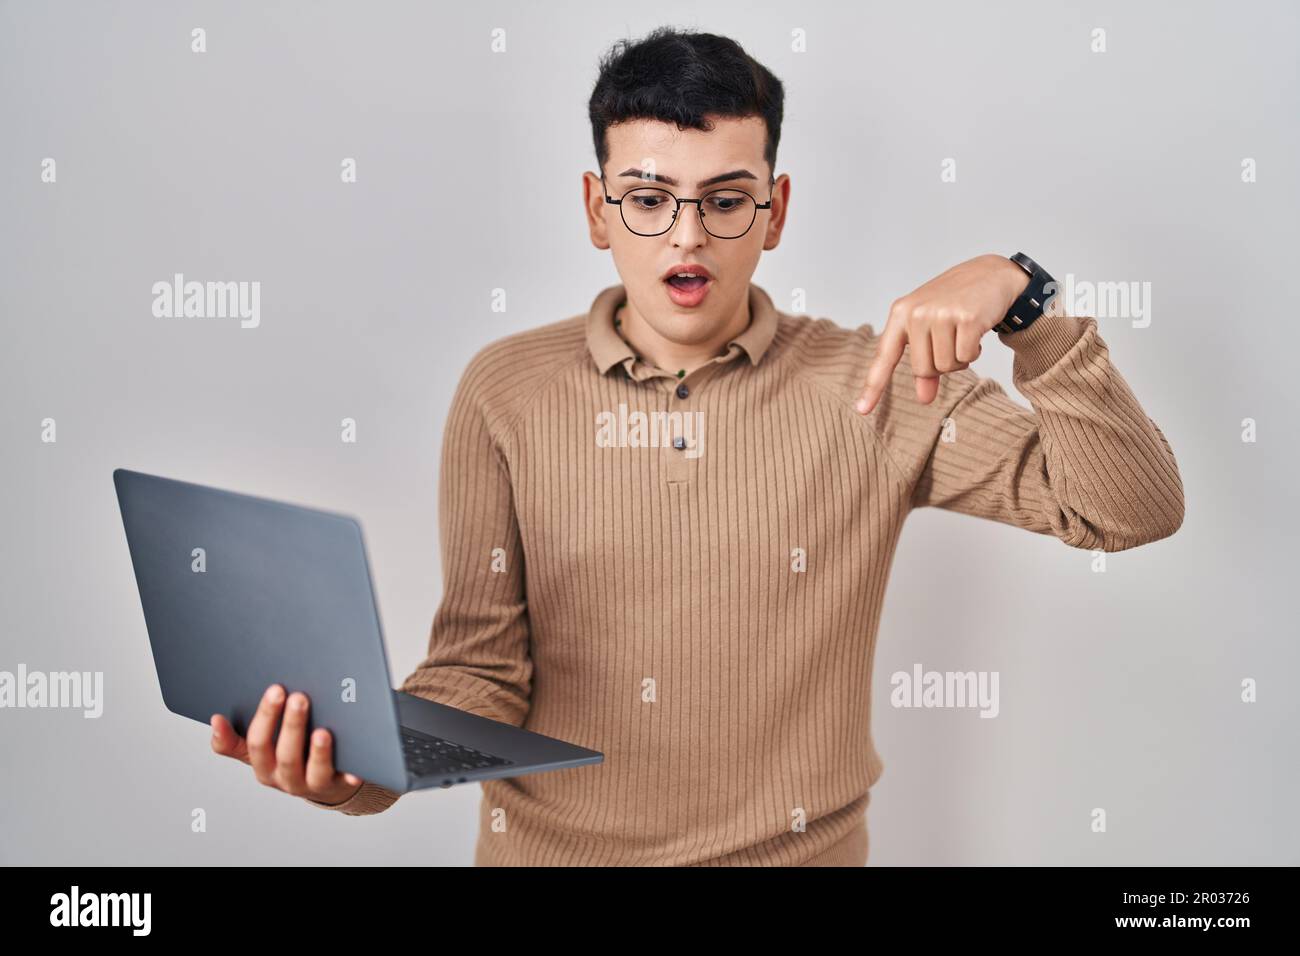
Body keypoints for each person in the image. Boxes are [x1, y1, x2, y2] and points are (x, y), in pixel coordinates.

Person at [210, 26, 1184, 866]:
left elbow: (1128, 509)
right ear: (597, 209)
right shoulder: (504, 388)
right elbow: (481, 668)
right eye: (647, 197)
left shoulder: (882, 385)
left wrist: (1028, 306)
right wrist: (360, 765)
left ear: (777, 208)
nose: (687, 236)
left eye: (725, 199)